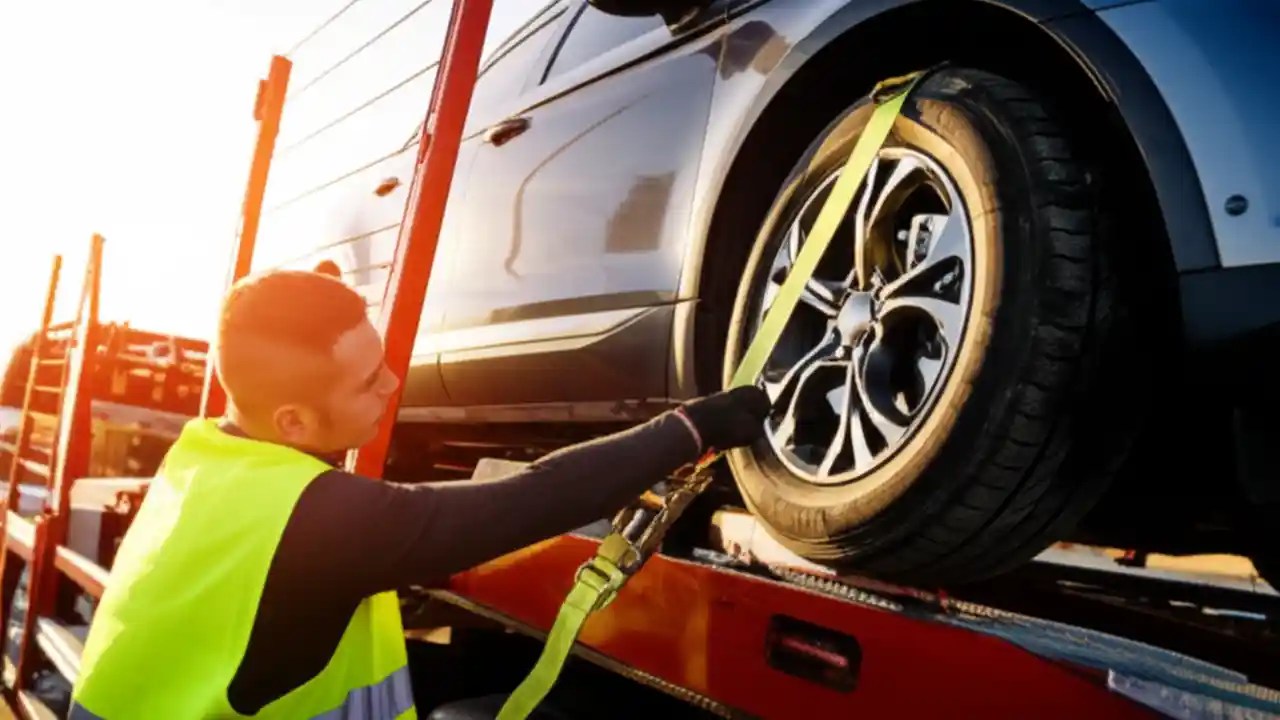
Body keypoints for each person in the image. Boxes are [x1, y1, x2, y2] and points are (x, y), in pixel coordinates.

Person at [68, 269, 771, 719]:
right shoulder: (320, 519)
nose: (391, 385)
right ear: (293, 422)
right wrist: (690, 427)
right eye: (367, 381)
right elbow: (531, 499)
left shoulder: (199, 460)